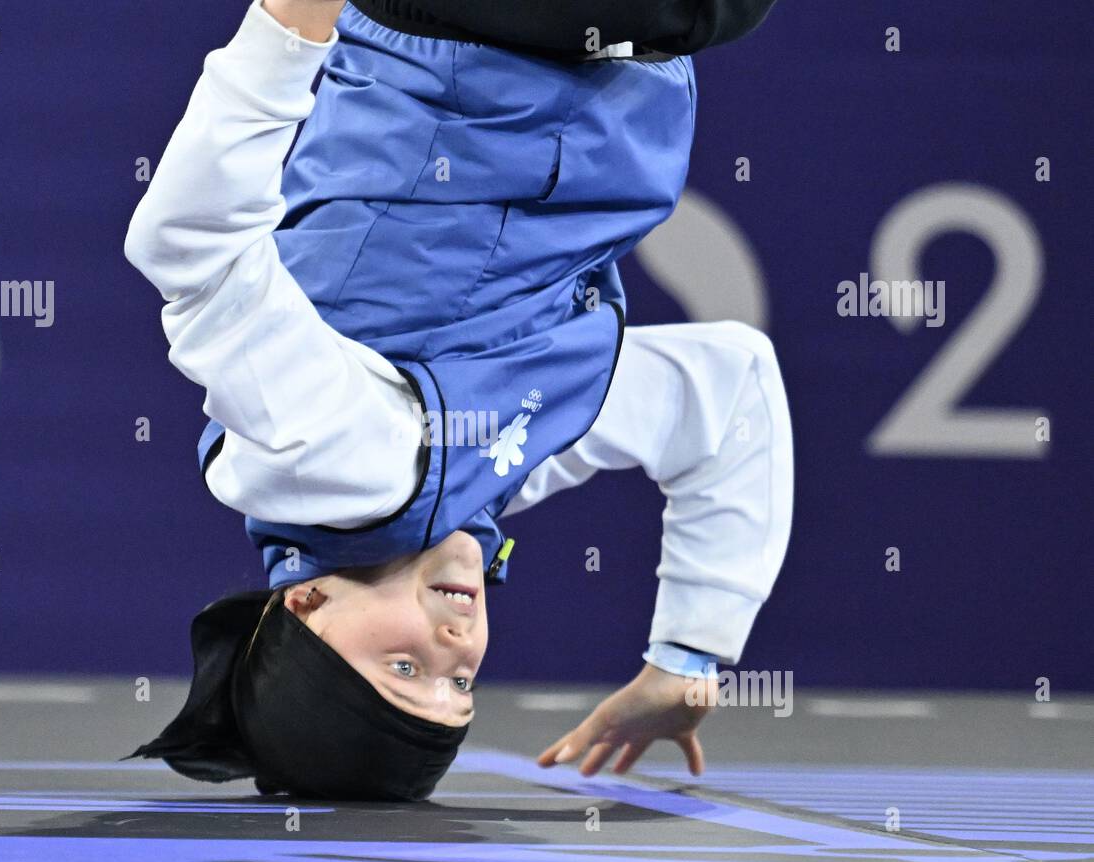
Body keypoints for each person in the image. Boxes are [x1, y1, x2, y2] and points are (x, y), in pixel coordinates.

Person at [123, 0, 791, 800]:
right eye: (462, 689)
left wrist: (288, 23)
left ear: (304, 604)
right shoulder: (475, 472)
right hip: (617, 43)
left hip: (483, 28)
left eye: (406, 668)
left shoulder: (330, 456)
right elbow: (728, 392)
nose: (457, 648)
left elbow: (189, 247)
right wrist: (687, 654)